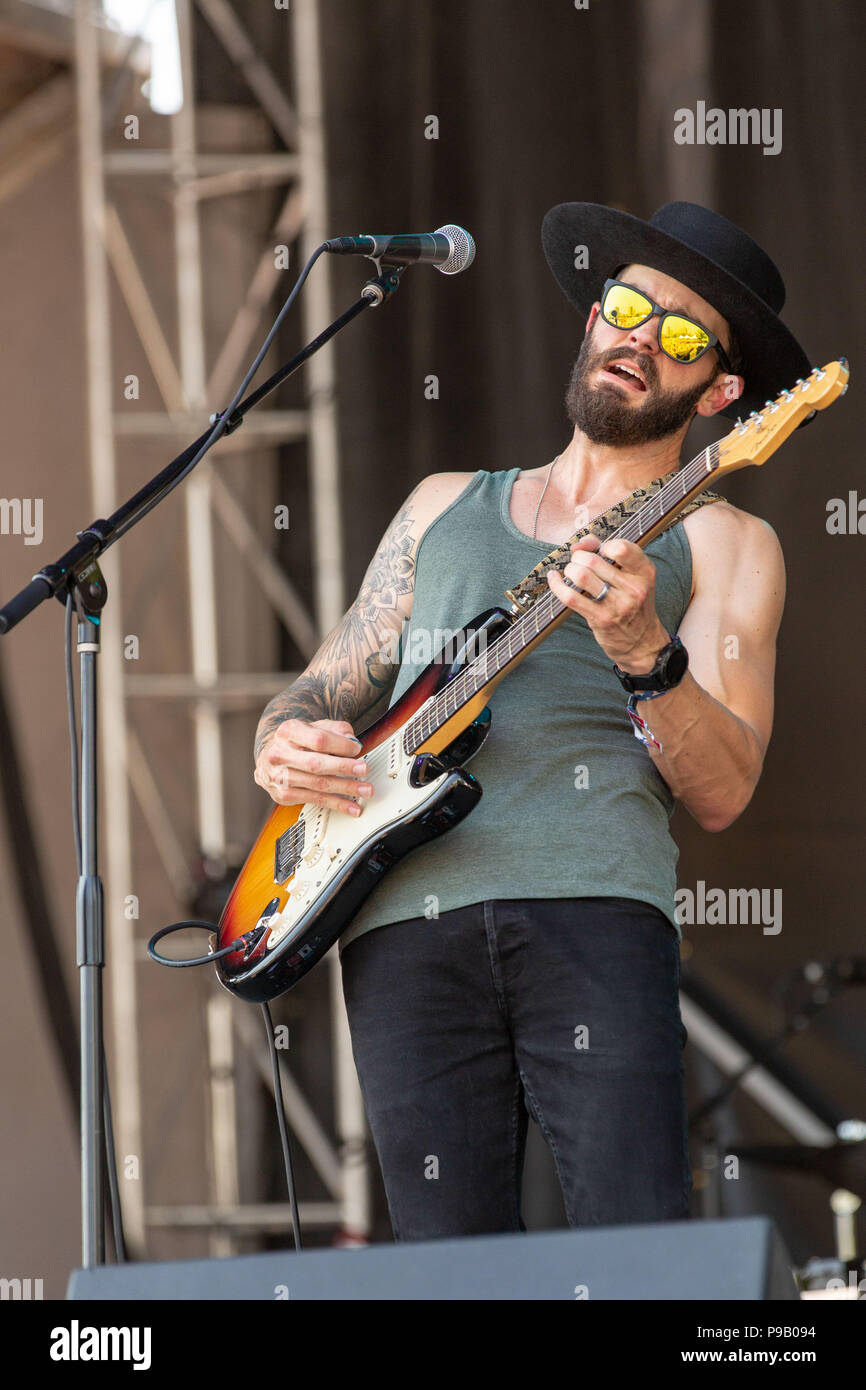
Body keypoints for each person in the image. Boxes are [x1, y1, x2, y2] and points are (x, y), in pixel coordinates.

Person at [252, 201, 811, 1239]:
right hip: (398, 923)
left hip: (591, 906)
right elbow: (324, 687)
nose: (641, 337)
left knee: (631, 1244)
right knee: (445, 1266)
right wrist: (280, 741)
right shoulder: (438, 505)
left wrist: (647, 651)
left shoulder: (731, 542)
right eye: (628, 306)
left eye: (681, 334)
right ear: (591, 315)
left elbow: (725, 787)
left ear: (722, 390)